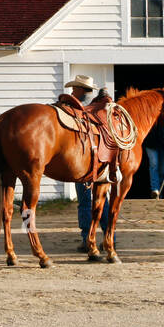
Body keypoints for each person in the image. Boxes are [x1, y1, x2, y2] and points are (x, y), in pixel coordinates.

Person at [58, 75, 113, 251]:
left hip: (83, 163)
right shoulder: (103, 110)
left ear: (81, 90)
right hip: (101, 162)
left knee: (85, 202)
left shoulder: (73, 111)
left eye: (75, 88)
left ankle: (86, 238)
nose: (72, 91)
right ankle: (108, 236)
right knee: (102, 200)